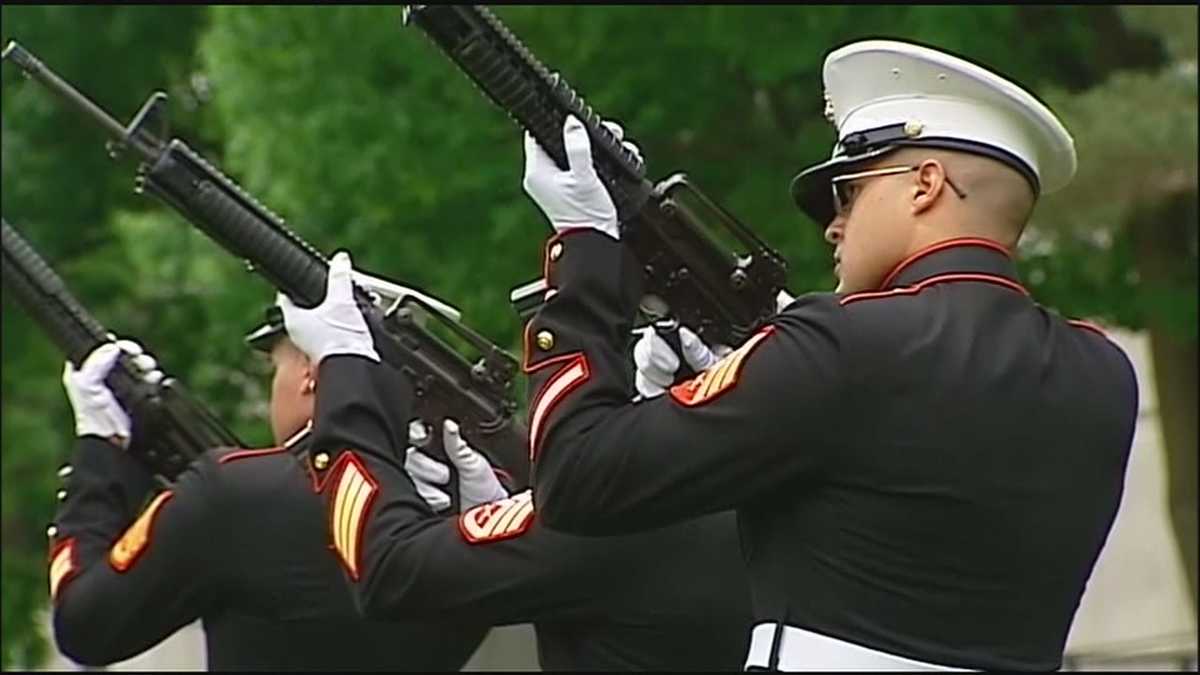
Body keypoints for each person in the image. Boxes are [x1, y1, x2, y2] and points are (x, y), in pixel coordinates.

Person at [515, 39, 1139, 671]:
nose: (834, 226)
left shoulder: (842, 343)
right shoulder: (1104, 373)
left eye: (849, 195)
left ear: (925, 186)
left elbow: (577, 476)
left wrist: (585, 255)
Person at [277, 253, 754, 670]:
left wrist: (346, 376)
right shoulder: (752, 497)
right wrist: (500, 511)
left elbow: (390, 568)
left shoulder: (609, 520)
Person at [47, 266, 488, 670]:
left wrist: (101, 451)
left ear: (311, 372)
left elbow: (85, 625)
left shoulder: (233, 494)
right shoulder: (465, 510)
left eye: (275, 366)